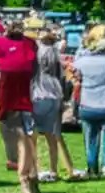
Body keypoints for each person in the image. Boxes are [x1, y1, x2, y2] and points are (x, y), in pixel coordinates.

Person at [0, 19, 40, 193]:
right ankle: (27, 174)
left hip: (24, 94)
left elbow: (33, 69)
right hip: (8, 94)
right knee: (20, 134)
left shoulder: (29, 44)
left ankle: (28, 176)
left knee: (27, 136)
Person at [31, 30, 84, 183]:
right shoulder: (56, 56)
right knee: (53, 136)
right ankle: (54, 170)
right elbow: (62, 79)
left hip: (38, 94)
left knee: (33, 136)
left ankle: (36, 168)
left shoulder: (37, 55)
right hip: (55, 96)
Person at [73, 27, 105, 178]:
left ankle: (91, 167)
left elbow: (75, 78)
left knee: (90, 138)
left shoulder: (81, 62)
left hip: (87, 104)